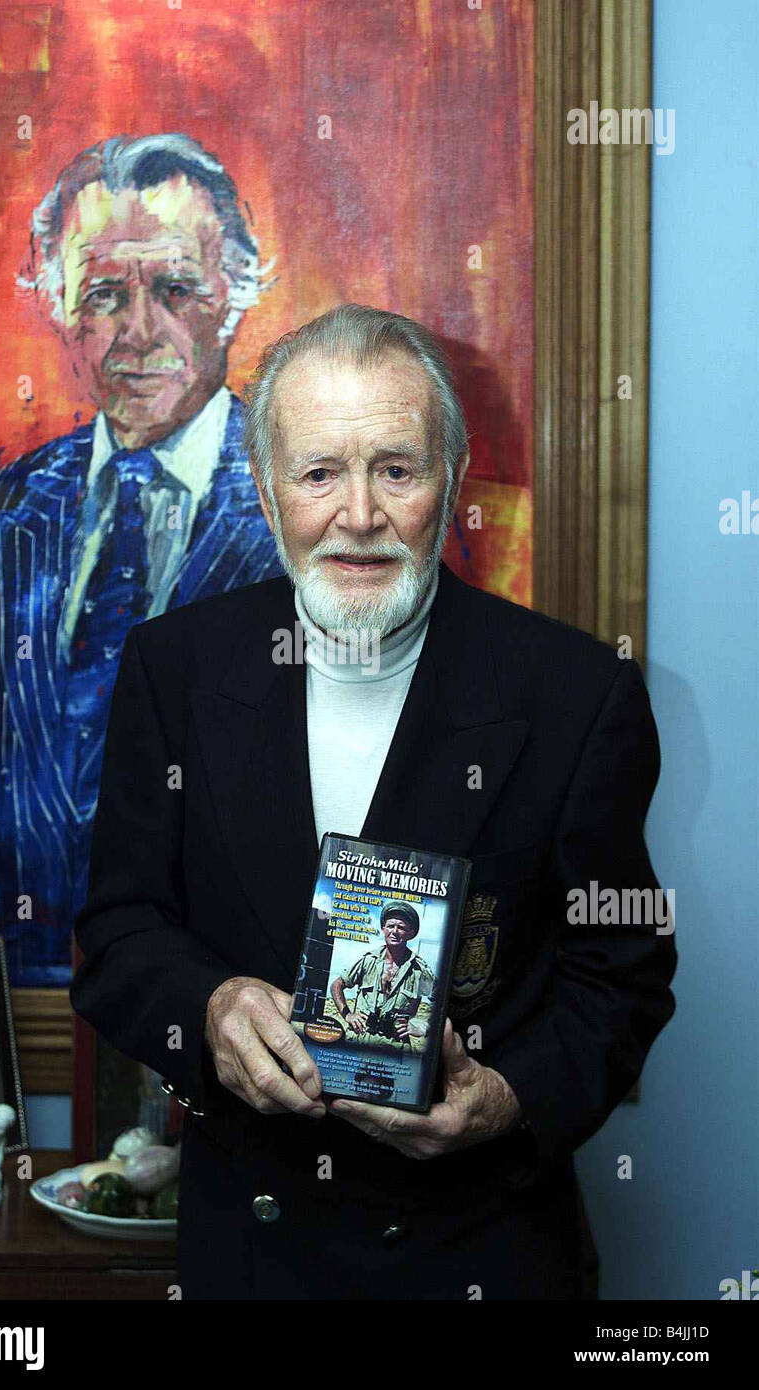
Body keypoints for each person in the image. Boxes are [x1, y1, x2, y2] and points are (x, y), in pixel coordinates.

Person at [71, 303, 677, 1300]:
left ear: (452, 477)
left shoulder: (573, 694)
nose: (356, 513)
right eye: (317, 473)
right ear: (265, 491)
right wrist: (210, 1007)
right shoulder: (173, 670)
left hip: (477, 1252)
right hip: (252, 1259)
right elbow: (120, 930)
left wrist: (508, 1098)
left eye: (395, 469)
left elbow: (622, 971)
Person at [0, 133, 283, 986]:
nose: (140, 332)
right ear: (59, 304)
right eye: (105, 294)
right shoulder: (13, 504)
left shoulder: (303, 503)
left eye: (177, 289)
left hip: (223, 1019)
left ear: (236, 297)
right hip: (33, 995)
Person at [329, 901, 434, 1050]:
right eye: (390, 926)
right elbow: (337, 984)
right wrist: (348, 1015)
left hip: (395, 1047)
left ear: (411, 933)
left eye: (401, 927)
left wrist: (423, 1027)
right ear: (383, 929)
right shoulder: (368, 961)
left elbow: (442, 1002)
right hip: (359, 1040)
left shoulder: (419, 970)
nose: (395, 931)